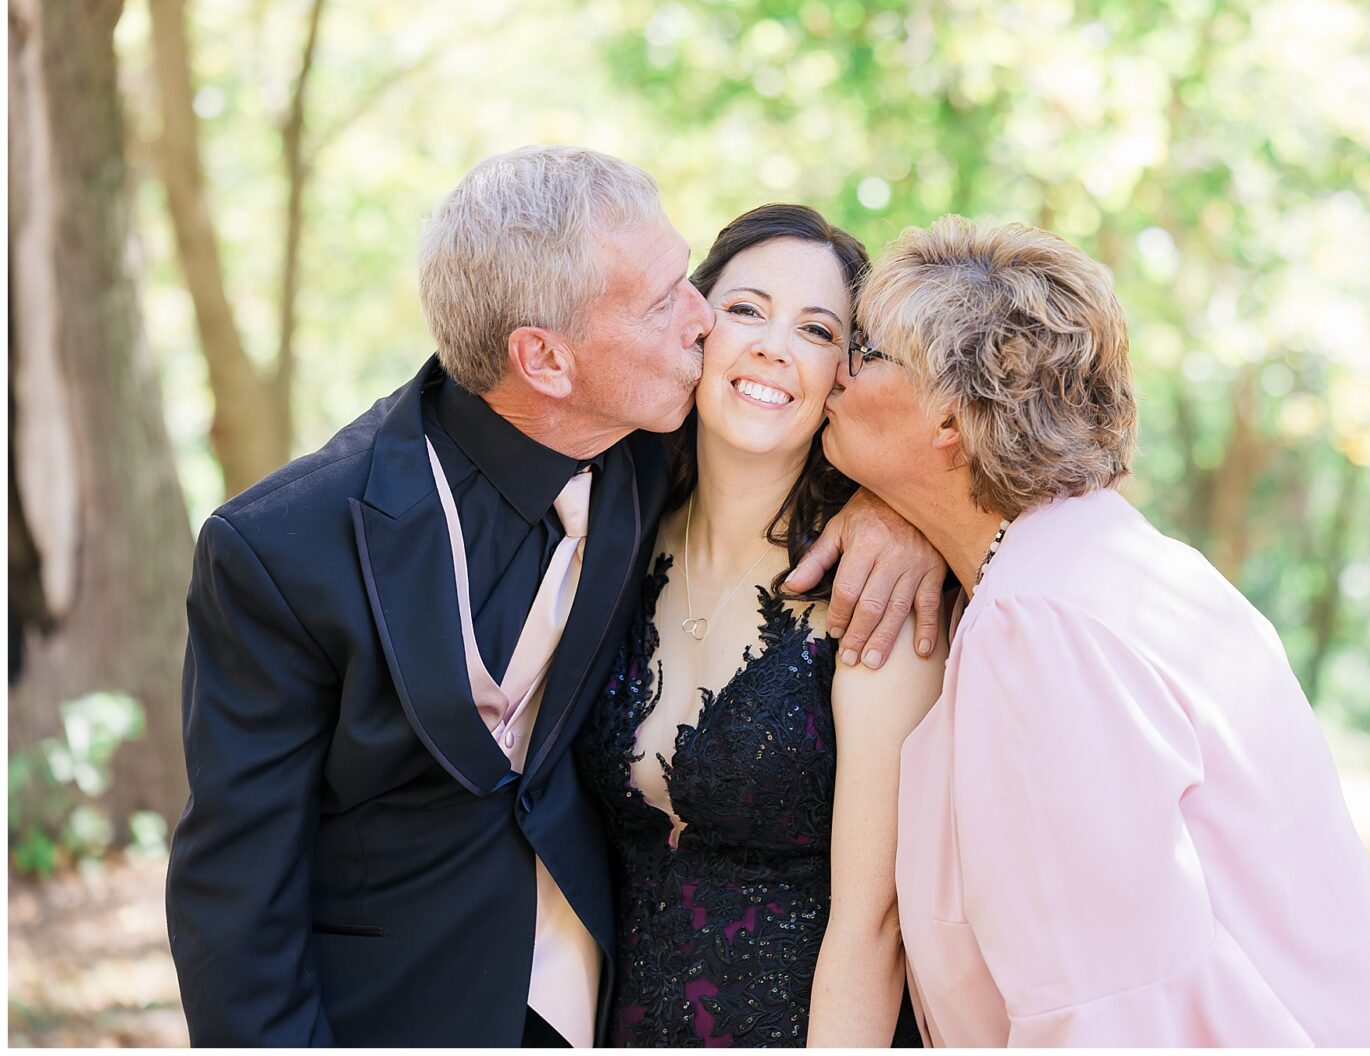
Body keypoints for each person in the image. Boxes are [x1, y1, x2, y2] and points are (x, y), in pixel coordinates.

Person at [164, 147, 945, 1047]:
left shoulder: (648, 442)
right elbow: (236, 904)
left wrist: (897, 511)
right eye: (667, 302)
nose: (702, 321)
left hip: (610, 1001)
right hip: (401, 1009)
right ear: (543, 359)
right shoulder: (281, 550)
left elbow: (803, 426)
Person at [821, 216, 1370, 1047]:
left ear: (951, 418)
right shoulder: (1112, 566)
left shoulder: (1038, 625)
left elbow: (1107, 1005)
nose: (839, 366)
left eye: (870, 352)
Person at [573, 204, 944, 1047]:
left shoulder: (874, 590)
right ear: (695, 328)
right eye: (746, 309)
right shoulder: (615, 538)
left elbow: (873, 926)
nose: (774, 345)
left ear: (844, 375)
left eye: (817, 329)